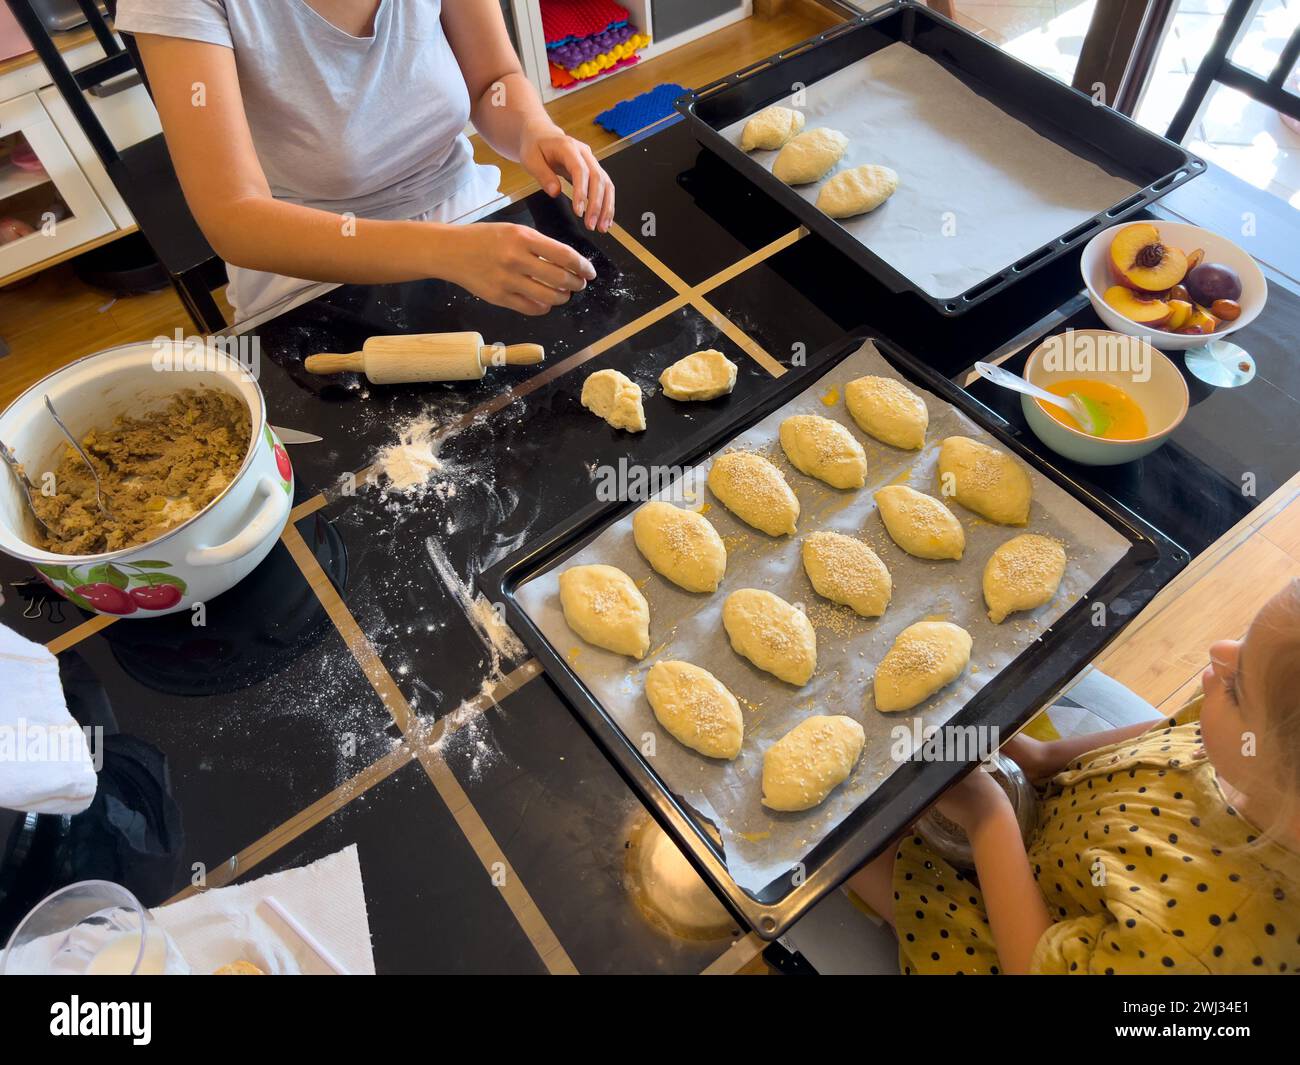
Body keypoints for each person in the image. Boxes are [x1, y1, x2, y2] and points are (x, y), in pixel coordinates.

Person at [849, 579, 1300, 974]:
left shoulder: (1194, 945)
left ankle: (897, 905)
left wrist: (987, 818)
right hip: (1065, 822)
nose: (1219, 653)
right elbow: (1176, 730)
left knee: (853, 842)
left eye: (1236, 686)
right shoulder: (1251, 753)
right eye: (1243, 639)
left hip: (1021, 939)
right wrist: (1042, 757)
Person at [114, 1, 613, 321]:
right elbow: (234, 219)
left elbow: (492, 83)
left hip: (466, 215)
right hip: (308, 256)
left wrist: (536, 131)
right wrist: (446, 252)